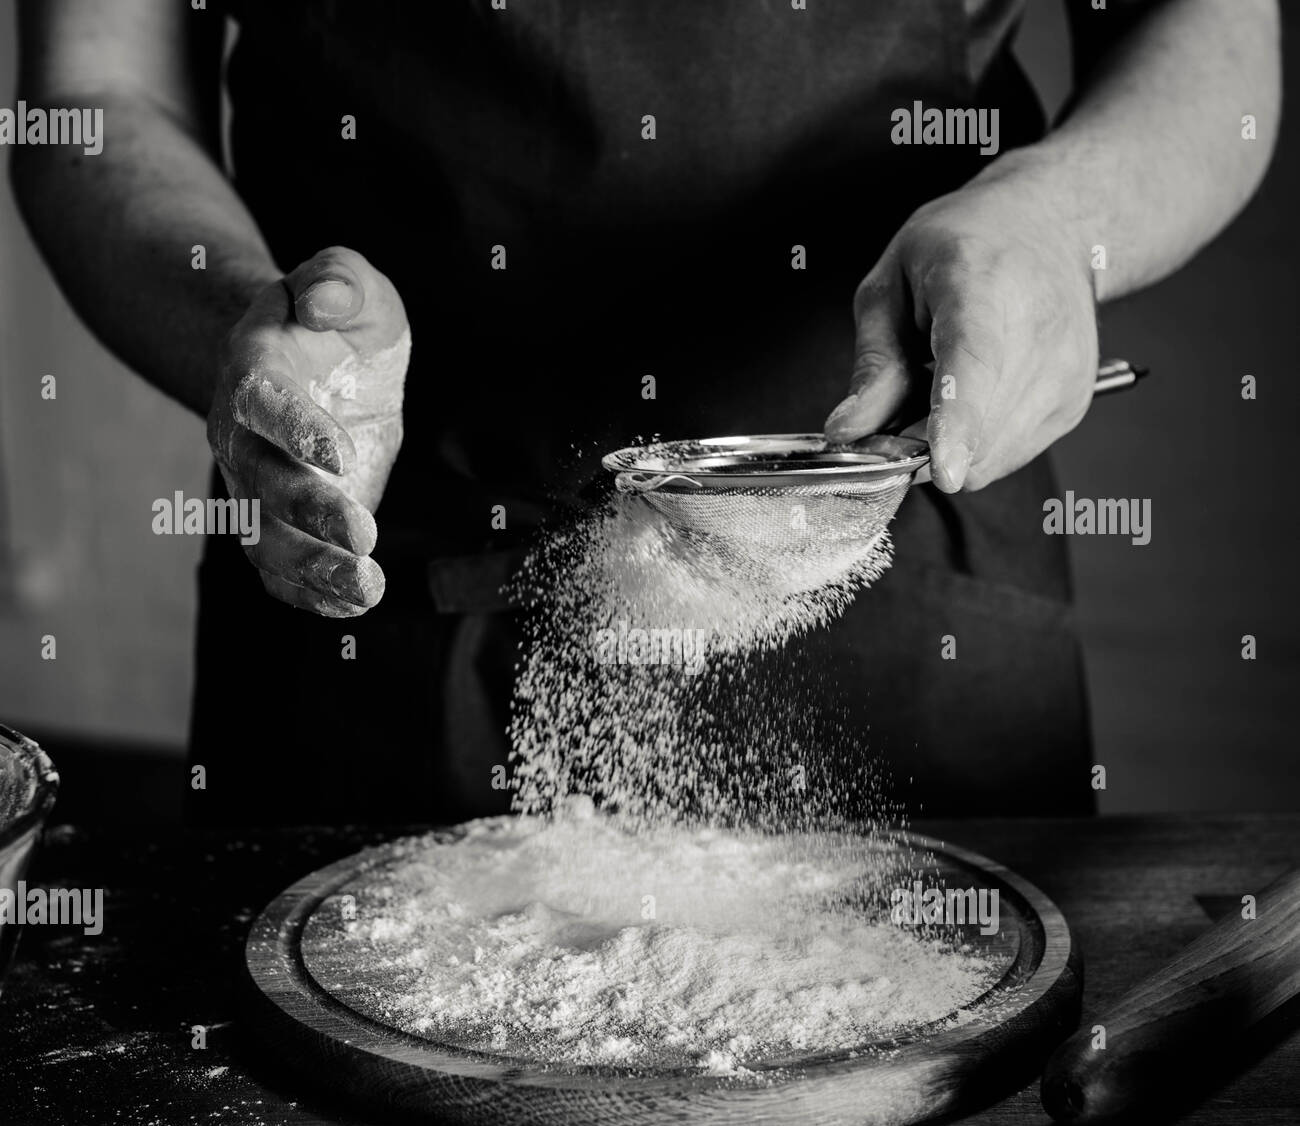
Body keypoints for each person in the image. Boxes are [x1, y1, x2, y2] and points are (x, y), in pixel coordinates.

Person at [12, 0, 1280, 824]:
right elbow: (99, 89)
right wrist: (249, 321)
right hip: (372, 577)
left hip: (890, 547)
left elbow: (1212, 39)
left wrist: (1058, 222)